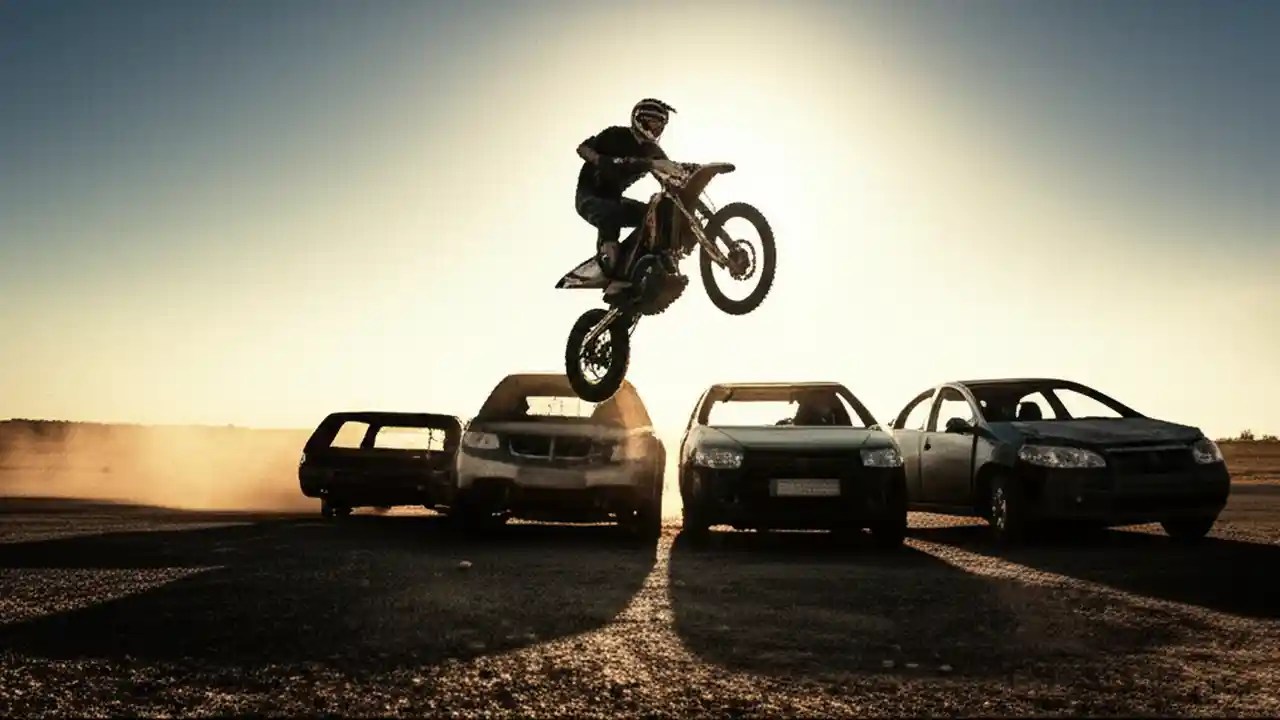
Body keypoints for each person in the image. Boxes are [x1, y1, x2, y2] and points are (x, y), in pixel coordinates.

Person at [574, 98, 675, 280]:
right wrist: (599, 160)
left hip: (614, 198)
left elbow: (668, 169)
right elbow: (582, 148)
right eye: (654, 124)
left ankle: (643, 264)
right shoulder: (615, 135)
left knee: (653, 215)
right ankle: (610, 266)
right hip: (590, 197)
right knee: (610, 215)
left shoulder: (651, 150)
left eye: (661, 126)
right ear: (640, 119)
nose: (657, 130)